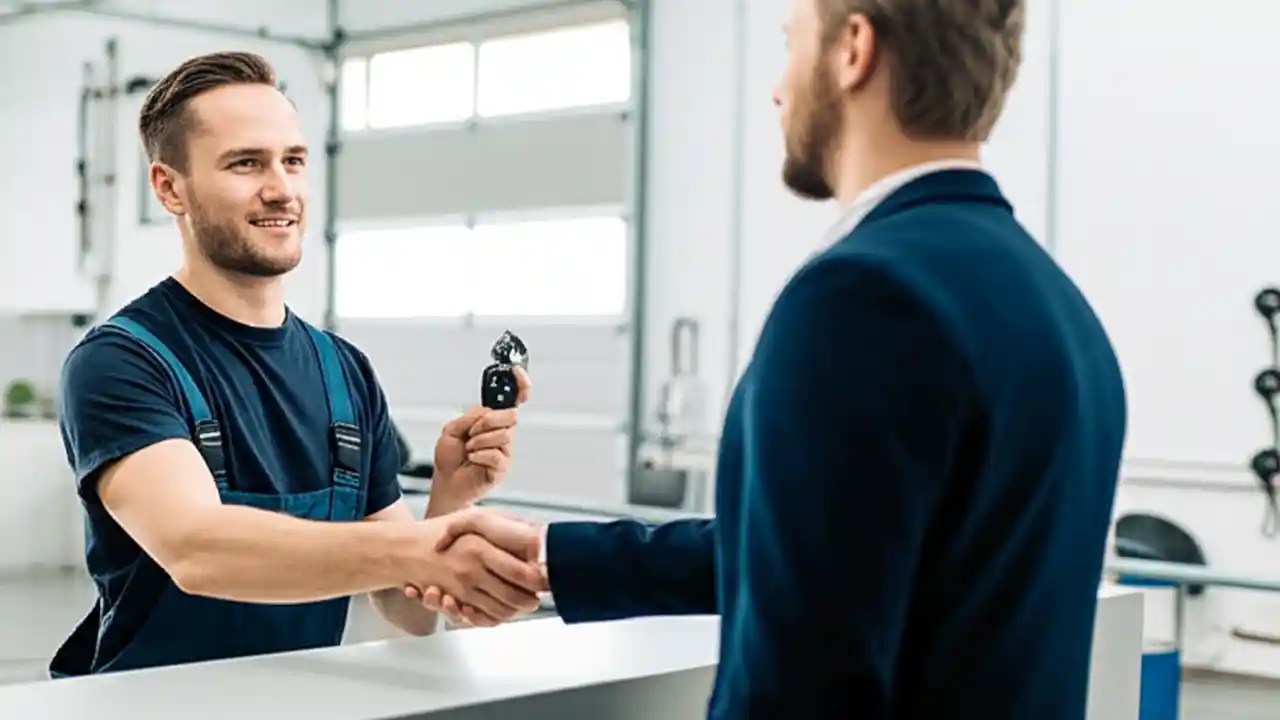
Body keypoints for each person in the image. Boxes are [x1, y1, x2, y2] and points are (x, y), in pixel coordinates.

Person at [416, 0, 1127, 717]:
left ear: (853, 49)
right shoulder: (1059, 308)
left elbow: (804, 677)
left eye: (792, 45)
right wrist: (555, 557)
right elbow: (835, 554)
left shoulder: (863, 297)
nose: (778, 88)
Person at [49, 51, 546, 677]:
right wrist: (422, 546)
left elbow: (407, 610)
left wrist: (450, 498)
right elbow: (200, 552)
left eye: (293, 160)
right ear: (170, 187)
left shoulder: (344, 371)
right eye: (246, 163)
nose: (281, 188)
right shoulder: (121, 362)